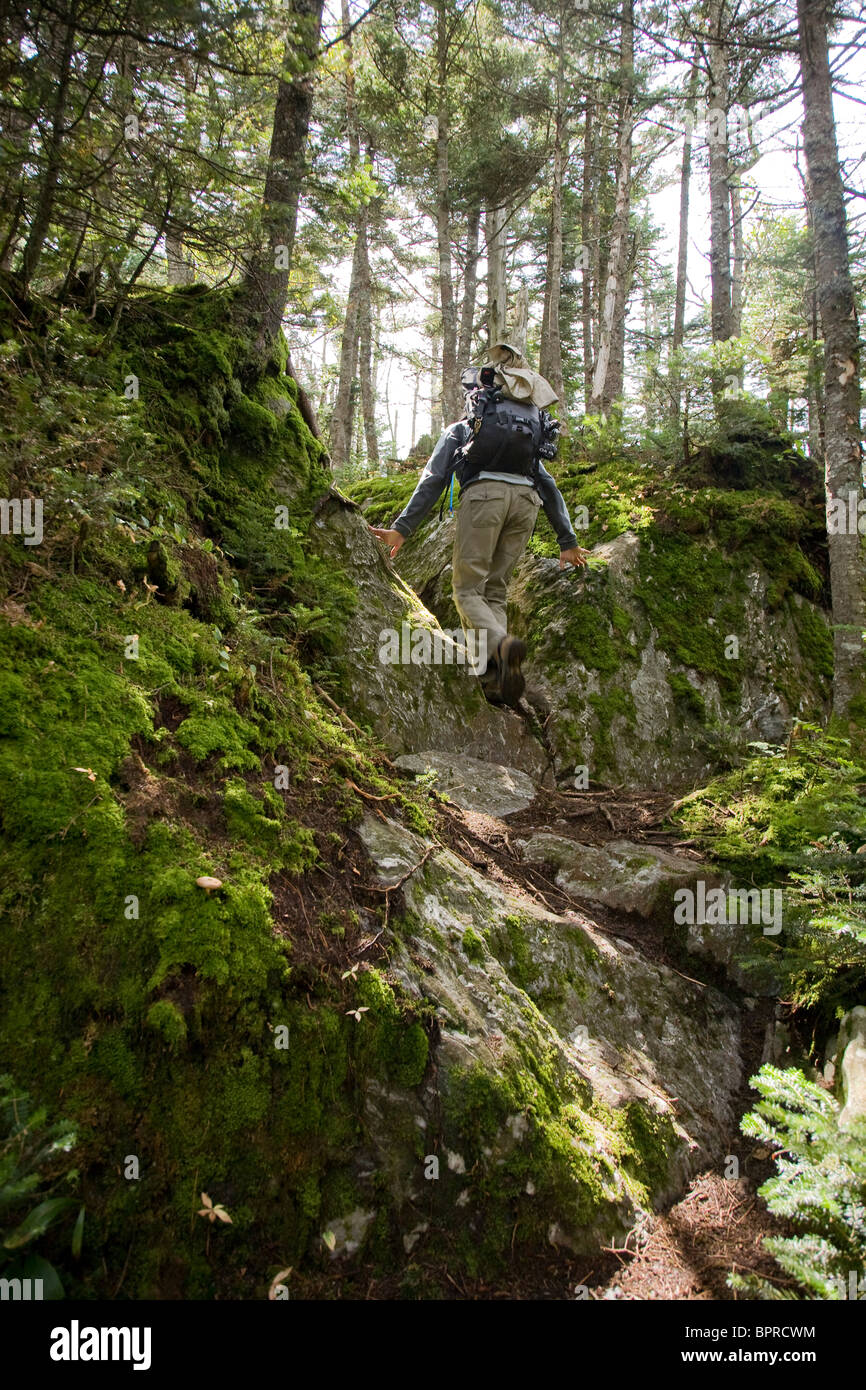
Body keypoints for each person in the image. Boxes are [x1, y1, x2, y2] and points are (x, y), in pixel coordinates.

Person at [370, 344, 588, 708]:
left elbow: (433, 479)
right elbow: (547, 484)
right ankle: (494, 681)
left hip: (485, 498)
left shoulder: (467, 426)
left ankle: (501, 646)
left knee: (466, 590)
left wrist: (402, 529)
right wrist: (567, 539)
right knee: (495, 591)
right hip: (527, 503)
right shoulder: (529, 427)